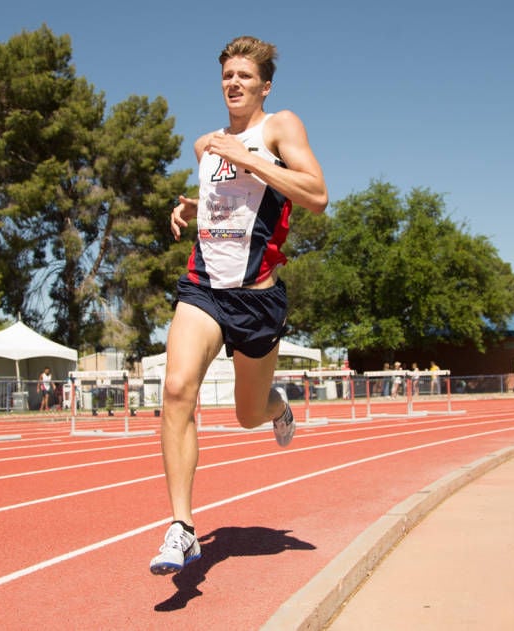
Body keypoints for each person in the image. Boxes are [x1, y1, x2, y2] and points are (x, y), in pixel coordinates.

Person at [150, 35, 327, 576]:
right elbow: (232, 200)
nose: (234, 83)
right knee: (177, 388)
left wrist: (249, 156)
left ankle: (278, 407)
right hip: (203, 287)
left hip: (258, 297)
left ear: (264, 86)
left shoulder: (279, 127)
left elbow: (315, 194)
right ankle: (182, 528)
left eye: (245, 76)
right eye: (228, 75)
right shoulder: (204, 145)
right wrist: (193, 205)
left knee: (248, 416)